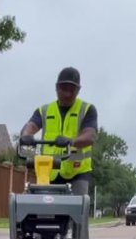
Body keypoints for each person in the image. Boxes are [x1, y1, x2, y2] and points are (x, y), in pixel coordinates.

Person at [18, 67, 98, 202]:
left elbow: (90, 136)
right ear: (56, 88)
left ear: (78, 90)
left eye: (71, 89)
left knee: (78, 210)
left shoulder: (87, 109)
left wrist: (71, 141)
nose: (67, 93)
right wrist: (26, 136)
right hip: (48, 171)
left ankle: (77, 224)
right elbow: (31, 125)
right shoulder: (44, 110)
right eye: (63, 88)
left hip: (77, 172)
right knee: (43, 209)